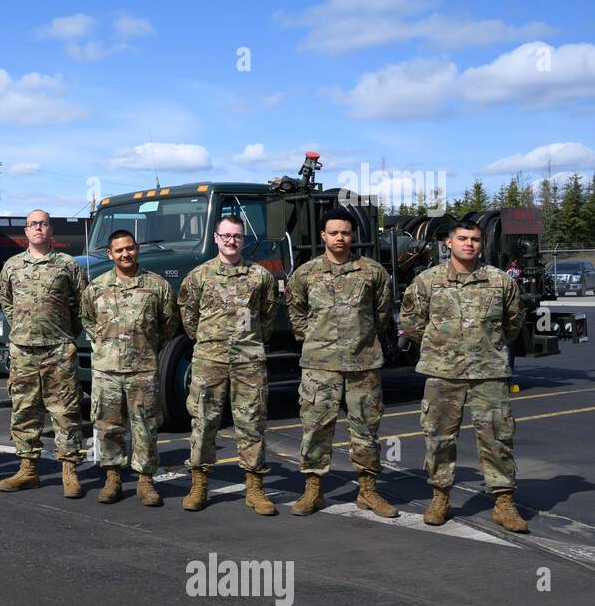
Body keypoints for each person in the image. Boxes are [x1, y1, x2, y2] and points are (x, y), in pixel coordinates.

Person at [399, 219, 528, 531]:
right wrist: (442, 347)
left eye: (475, 239)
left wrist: (487, 348)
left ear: (481, 244)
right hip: (443, 372)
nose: (469, 244)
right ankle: (440, 497)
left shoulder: (500, 281)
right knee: (439, 437)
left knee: (497, 437)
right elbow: (412, 322)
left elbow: (513, 323)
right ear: (449, 243)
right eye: (462, 238)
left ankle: (504, 503)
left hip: (489, 371)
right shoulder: (427, 281)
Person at [285, 207, 397, 518]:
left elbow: (382, 314)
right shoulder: (305, 274)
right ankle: (313, 490)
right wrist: (316, 341)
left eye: (345, 233)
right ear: (323, 235)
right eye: (333, 232)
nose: (339, 238)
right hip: (319, 367)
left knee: (366, 431)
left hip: (363, 365)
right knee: (316, 430)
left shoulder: (372, 272)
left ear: (352, 235)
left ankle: (368, 491)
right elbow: (296, 314)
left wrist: (361, 338)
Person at [177, 214, 278, 515]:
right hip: (210, 361)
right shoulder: (198, 276)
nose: (232, 241)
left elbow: (267, 317)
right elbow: (189, 318)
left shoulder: (260, 277)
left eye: (237, 236)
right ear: (216, 238)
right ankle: (199, 484)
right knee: (203, 422)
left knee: (252, 423)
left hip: (249, 361)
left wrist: (249, 342)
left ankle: (255, 488)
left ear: (243, 239)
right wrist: (210, 342)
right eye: (226, 236)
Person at [81, 230, 179, 505]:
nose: (125, 254)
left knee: (145, 427)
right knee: (107, 427)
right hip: (107, 371)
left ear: (137, 249)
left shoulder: (157, 285)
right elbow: (87, 319)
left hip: (142, 370)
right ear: (110, 254)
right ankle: (113, 478)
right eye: (119, 250)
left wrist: (147, 346)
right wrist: (105, 346)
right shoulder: (96, 287)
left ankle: (145, 481)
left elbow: (168, 323)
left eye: (130, 248)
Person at [0, 209, 89, 497]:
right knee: (24, 410)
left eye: (43, 223)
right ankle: (28, 469)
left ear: (51, 230)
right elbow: (6, 300)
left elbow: (82, 303)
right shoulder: (12, 266)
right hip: (23, 350)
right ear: (26, 231)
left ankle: (69, 470)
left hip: (59, 350)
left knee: (65, 411)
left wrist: (66, 332)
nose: (38, 228)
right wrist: (23, 328)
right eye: (33, 224)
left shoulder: (67, 264)